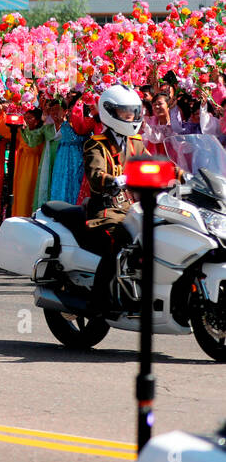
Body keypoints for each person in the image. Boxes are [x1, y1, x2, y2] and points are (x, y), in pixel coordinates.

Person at [83, 85, 155, 313]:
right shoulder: (96, 143)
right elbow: (95, 176)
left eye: (133, 112)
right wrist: (113, 181)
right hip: (106, 209)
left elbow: (153, 164)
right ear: (110, 113)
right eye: (125, 113)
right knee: (120, 240)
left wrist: (183, 175)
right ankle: (100, 299)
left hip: (132, 208)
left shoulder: (136, 142)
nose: (131, 117)